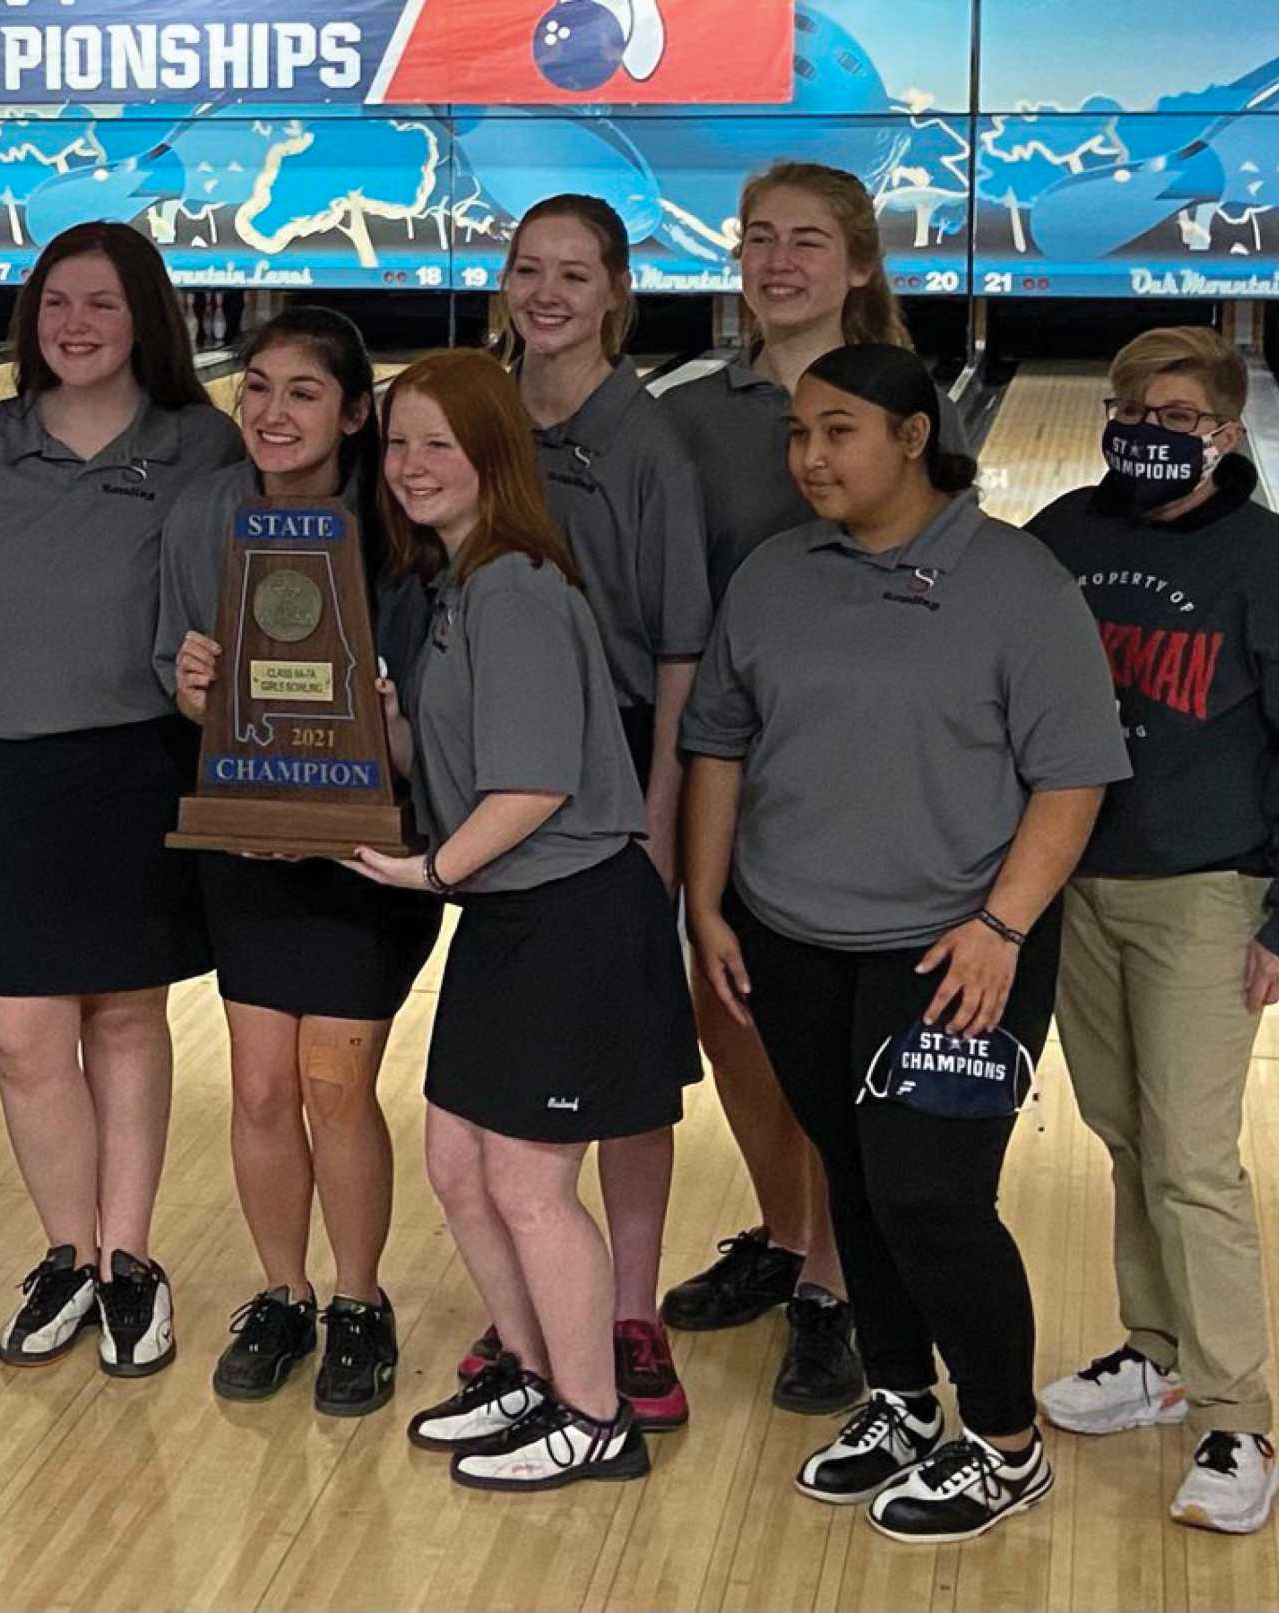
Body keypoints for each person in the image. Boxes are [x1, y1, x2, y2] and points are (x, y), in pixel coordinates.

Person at [681, 343, 1130, 1541]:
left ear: (914, 435)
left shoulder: (1017, 581)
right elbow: (718, 740)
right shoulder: (776, 574)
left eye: (837, 432)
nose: (810, 456)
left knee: (932, 1194)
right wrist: (707, 899)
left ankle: (1004, 1439)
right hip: (792, 933)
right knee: (859, 1181)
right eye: (797, 435)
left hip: (955, 950)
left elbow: (1074, 775)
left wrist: (1000, 926)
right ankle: (899, 1395)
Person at [348, 349, 700, 1490]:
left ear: (495, 455)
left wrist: (425, 872)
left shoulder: (515, 588)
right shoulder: (462, 585)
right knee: (459, 1164)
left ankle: (596, 1416)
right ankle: (538, 1370)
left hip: (568, 914)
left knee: (529, 1184)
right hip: (513, 915)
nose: (410, 466)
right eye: (398, 442)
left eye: (439, 444)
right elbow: (461, 755)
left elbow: (535, 782)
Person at [657, 160, 966, 1414]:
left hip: (856, 765)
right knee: (730, 1013)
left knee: (838, 1038)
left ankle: (839, 1282)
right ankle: (790, 1238)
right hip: (729, 764)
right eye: (756, 240)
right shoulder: (688, 410)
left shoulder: (907, 402)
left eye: (805, 242)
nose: (776, 262)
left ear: (856, 262)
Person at [0, 222, 243, 1378]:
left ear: (145, 320)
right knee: (22, 1032)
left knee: (123, 1014)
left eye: (102, 305)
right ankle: (65, 1250)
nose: (75, 324)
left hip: (137, 761)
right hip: (4, 765)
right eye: (56, 303)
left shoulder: (200, 443)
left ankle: (128, 1259)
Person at [454, 192, 710, 1430]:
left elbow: (678, 653)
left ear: (617, 290)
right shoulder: (485, 420)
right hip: (506, 782)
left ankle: (629, 1307)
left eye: (573, 273)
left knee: (622, 1075)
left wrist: (658, 821)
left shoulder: (644, 441)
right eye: (526, 268)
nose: (545, 292)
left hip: (610, 787)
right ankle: (546, 1307)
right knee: (528, 1060)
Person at [155, 307, 440, 1416]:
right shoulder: (203, 514)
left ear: (355, 411)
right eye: (257, 387)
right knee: (264, 1081)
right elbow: (174, 663)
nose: (273, 412)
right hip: (249, 825)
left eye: (304, 392)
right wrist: (188, 687)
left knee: (334, 1080)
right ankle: (284, 1292)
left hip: (367, 836)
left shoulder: (403, 521)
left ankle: (359, 1299)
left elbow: (435, 701)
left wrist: (382, 727)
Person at [1028, 327, 1279, 1535]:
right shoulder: (1063, 538)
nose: (1151, 427)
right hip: (1080, 882)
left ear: (1226, 431)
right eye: (1133, 404)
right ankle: (1153, 1352)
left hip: (1205, 888)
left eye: (1179, 413)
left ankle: (1239, 1410)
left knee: (1193, 1156)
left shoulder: (1261, 557)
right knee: (1126, 1133)